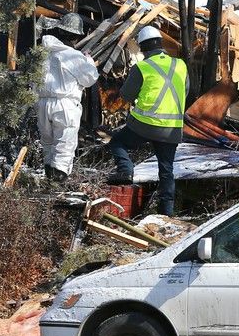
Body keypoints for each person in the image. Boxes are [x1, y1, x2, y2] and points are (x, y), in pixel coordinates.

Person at [107, 25, 187, 215]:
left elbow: (126, 95)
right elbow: (186, 91)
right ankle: (166, 213)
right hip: (172, 128)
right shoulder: (181, 65)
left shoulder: (142, 67)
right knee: (166, 171)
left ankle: (126, 170)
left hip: (144, 125)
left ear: (142, 48)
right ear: (161, 44)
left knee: (117, 142)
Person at [36, 13, 99, 182]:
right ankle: (57, 185)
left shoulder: (42, 53)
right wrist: (88, 61)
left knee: (48, 145)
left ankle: (49, 180)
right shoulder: (73, 56)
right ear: (76, 36)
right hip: (65, 105)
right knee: (64, 146)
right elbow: (90, 78)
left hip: (42, 103)